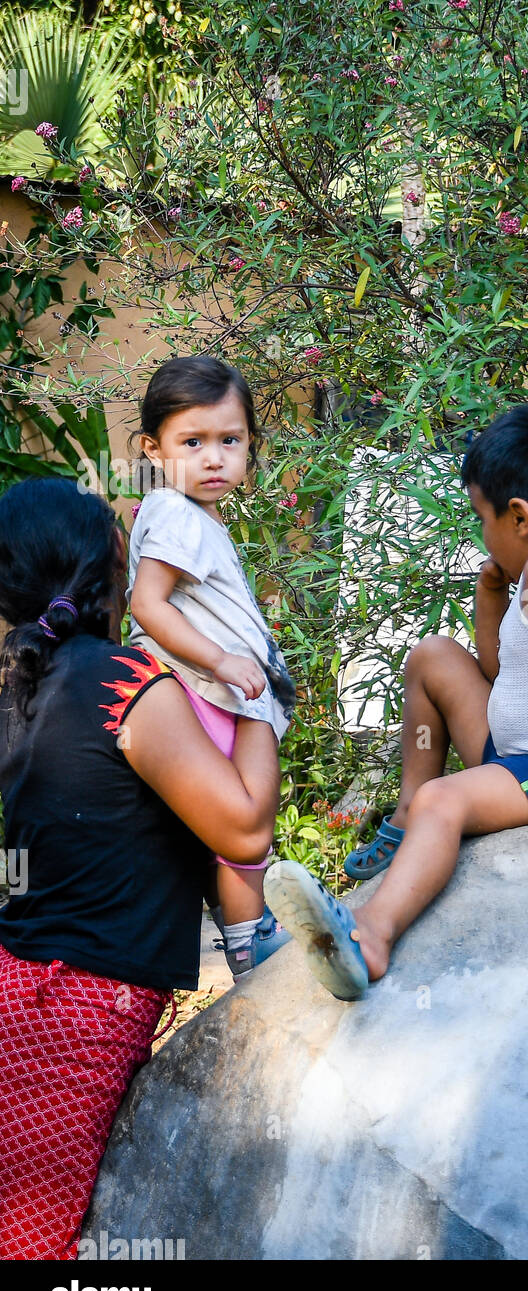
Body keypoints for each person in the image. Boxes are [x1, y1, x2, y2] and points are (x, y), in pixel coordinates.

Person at [265, 400, 528, 1001]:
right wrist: (490, 599)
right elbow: (505, 674)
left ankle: (372, 933)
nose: (481, 534)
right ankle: (406, 812)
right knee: (432, 655)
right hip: (513, 753)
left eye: (481, 518)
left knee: (446, 801)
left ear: (519, 516)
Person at [0, 478, 280, 1259]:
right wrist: (257, 692)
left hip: (27, 990)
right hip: (77, 1009)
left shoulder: (23, 689)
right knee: (31, 1249)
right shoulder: (126, 684)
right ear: (115, 561)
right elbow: (247, 825)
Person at [128, 355, 295, 975]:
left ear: (251, 441)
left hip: (212, 685)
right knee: (249, 808)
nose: (214, 457)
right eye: (191, 442)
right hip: (207, 688)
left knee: (235, 826)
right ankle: (252, 941)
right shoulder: (176, 511)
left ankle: (248, 937)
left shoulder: (192, 514)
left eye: (230, 440)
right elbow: (148, 604)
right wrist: (223, 659)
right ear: (153, 449)